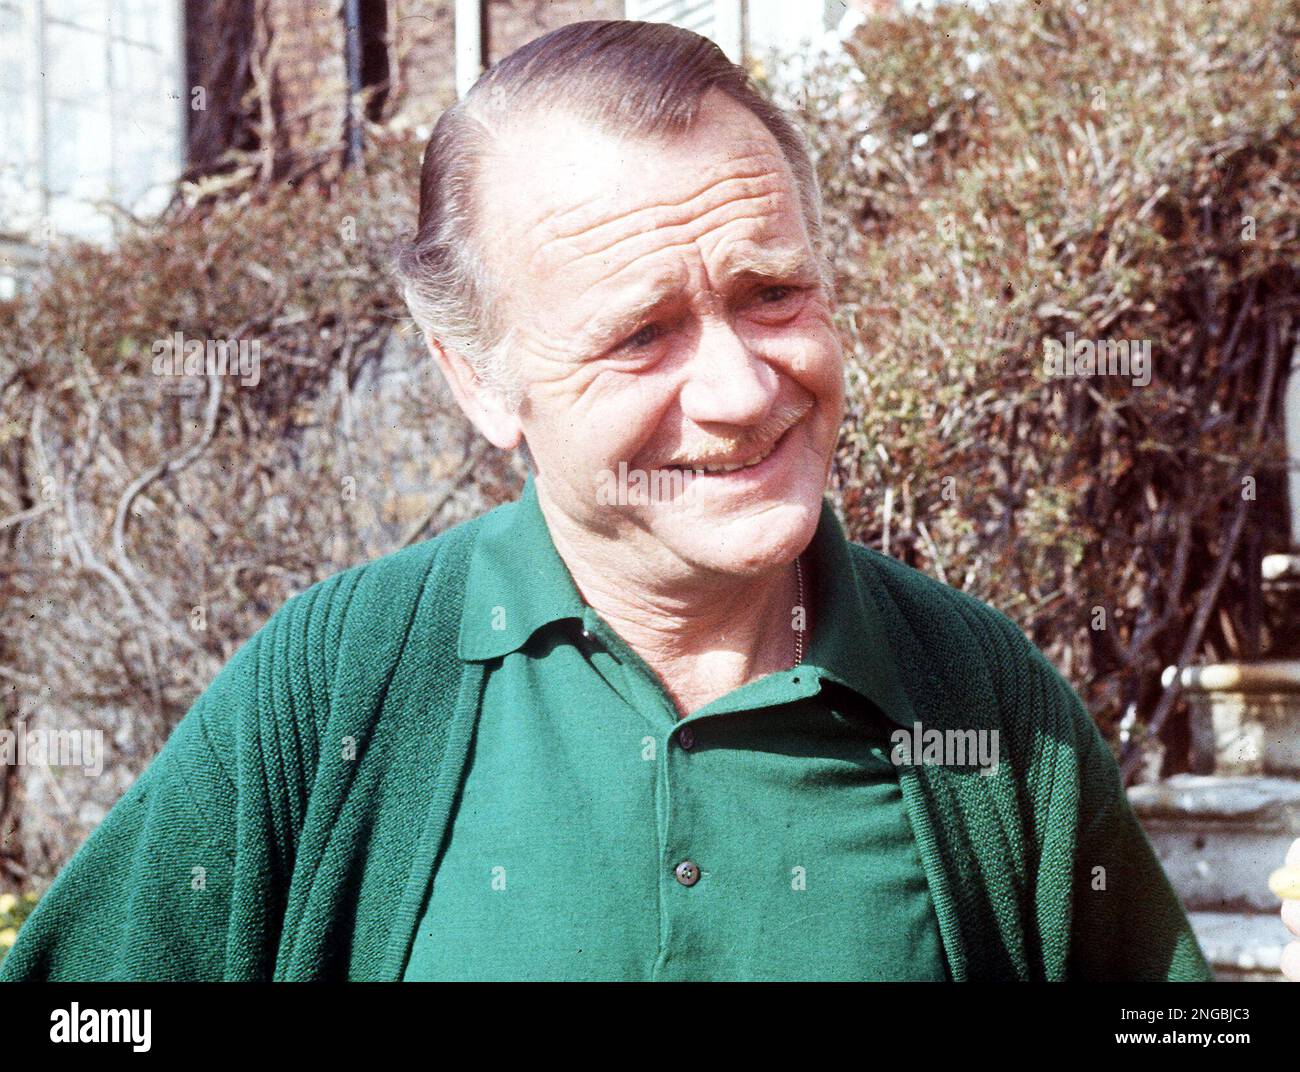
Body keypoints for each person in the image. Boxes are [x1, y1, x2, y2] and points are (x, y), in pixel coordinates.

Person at [3, 19, 1263, 982]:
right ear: (481, 381)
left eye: (772, 293)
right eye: (641, 333)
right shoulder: (340, 690)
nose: (737, 387)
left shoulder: (984, 708)